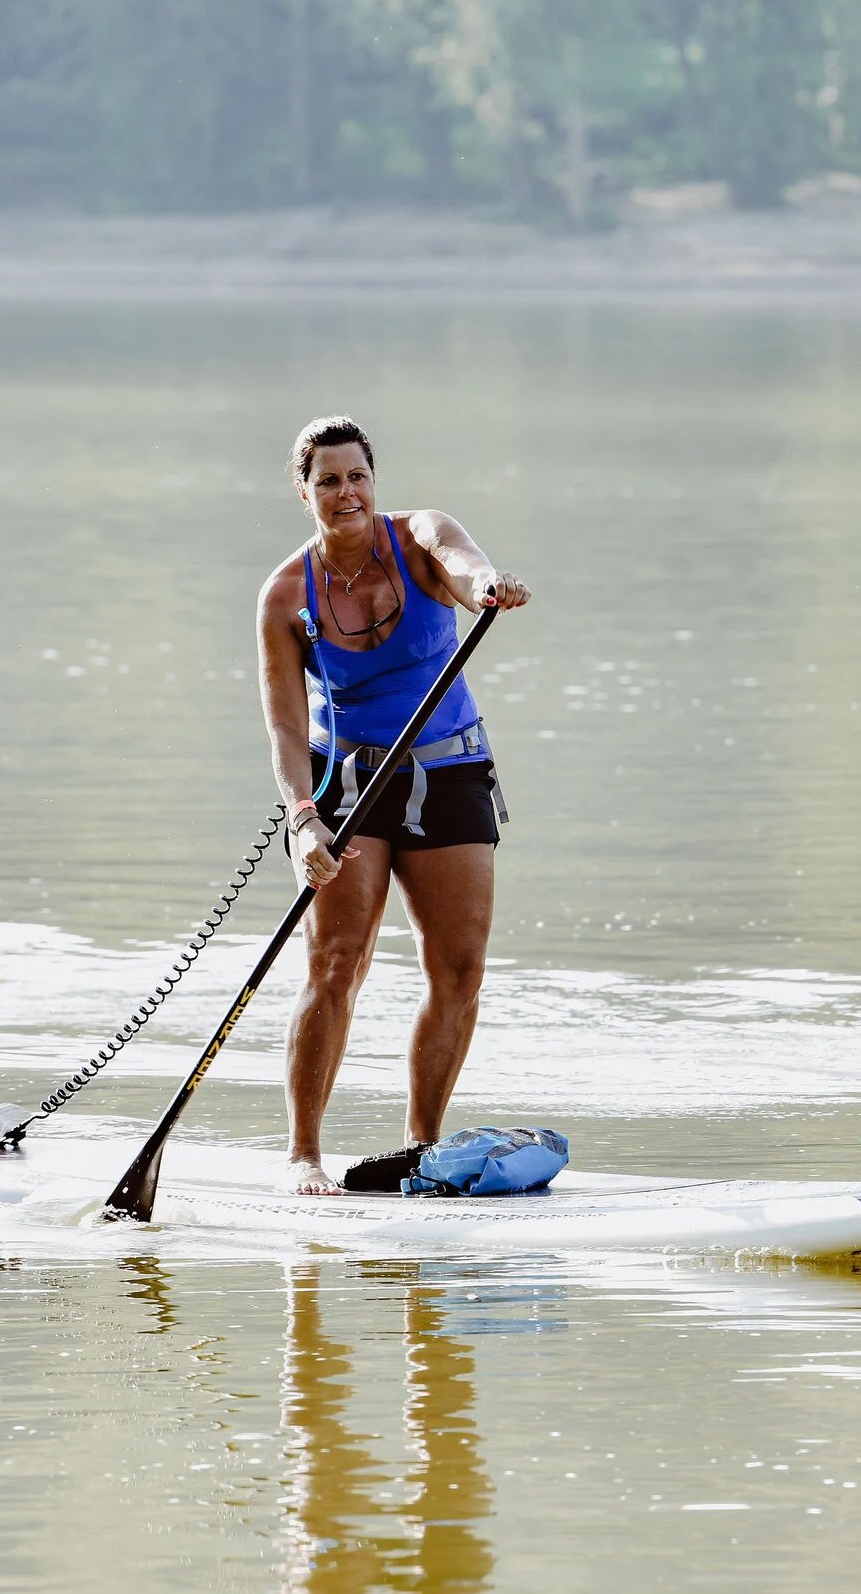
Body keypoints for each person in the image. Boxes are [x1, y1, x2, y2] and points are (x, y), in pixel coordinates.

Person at [256, 416, 531, 1194]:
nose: (348, 493)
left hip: (449, 770)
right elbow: (282, 722)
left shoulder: (421, 539)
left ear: (373, 480)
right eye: (329, 481)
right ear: (305, 493)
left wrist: (486, 588)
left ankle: (421, 1150)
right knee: (336, 962)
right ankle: (304, 1155)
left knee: (460, 967)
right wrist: (301, 817)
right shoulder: (284, 595)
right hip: (348, 784)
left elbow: (465, 563)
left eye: (358, 477)